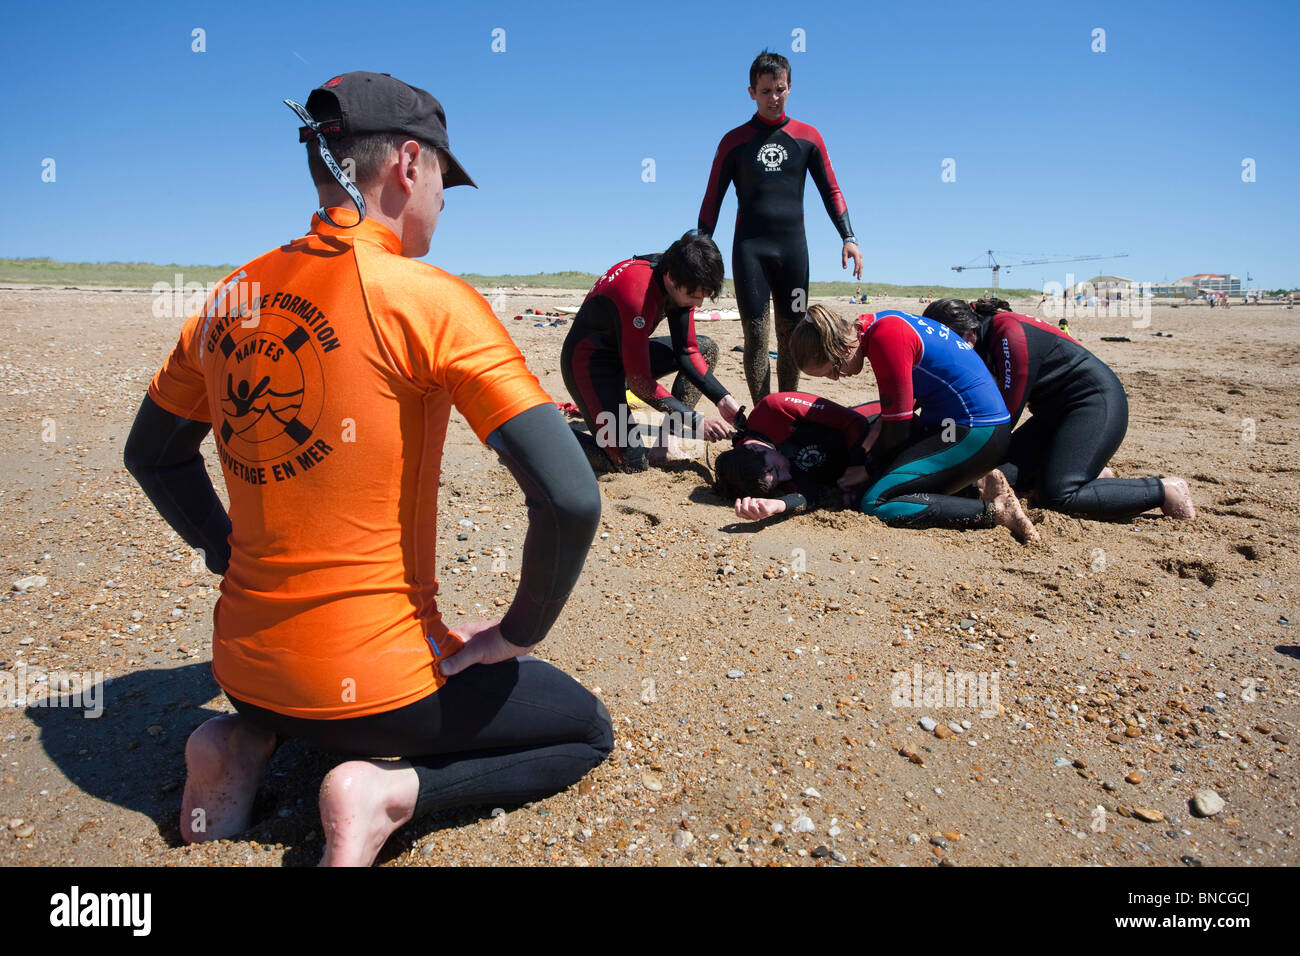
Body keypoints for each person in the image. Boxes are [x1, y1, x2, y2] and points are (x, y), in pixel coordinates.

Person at [124, 72, 611, 867]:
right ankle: (386, 793)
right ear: (408, 165)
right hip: (384, 695)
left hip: (245, 671)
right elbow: (568, 496)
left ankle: (240, 741)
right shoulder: (429, 299)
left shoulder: (230, 297)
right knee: (587, 730)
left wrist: (227, 550)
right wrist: (516, 633)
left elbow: (152, 454)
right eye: (447, 182)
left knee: (281, 703)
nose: (446, 203)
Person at [922, 297, 1196, 521]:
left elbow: (1002, 420)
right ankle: (1090, 472)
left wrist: (955, 458)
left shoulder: (1009, 335)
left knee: (1060, 496)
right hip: (1052, 416)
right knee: (1004, 479)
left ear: (968, 336)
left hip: (1093, 404)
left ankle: (1165, 489)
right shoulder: (981, 338)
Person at [787, 304, 1038, 541]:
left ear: (840, 347)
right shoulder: (879, 323)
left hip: (976, 431)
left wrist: (867, 470)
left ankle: (995, 511)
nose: (836, 378)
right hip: (965, 426)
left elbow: (898, 430)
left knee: (875, 501)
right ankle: (977, 483)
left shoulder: (886, 338)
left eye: (834, 370)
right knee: (882, 470)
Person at [697, 50, 863, 405]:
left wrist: (848, 237)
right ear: (751, 92)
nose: (774, 98)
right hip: (750, 251)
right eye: (766, 90)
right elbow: (713, 198)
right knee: (755, 336)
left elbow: (832, 189)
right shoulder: (734, 141)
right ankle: (762, 412)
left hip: (793, 253)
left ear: (790, 88)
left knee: (793, 336)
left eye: (781, 89)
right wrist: (701, 247)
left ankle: (786, 407)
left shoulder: (808, 138)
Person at [560, 231, 743, 472]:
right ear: (669, 277)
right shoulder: (637, 294)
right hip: (590, 367)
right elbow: (640, 383)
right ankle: (548, 434)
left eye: (703, 297)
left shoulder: (683, 272)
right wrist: (696, 420)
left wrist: (723, 399)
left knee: (706, 349)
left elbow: (687, 351)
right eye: (693, 296)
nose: (698, 304)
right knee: (630, 464)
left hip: (628, 356)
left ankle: (666, 444)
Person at [713, 391, 882, 520]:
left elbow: (855, 422)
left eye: (777, 470)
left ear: (757, 449)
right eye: (778, 481)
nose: (786, 476)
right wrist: (778, 505)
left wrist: (857, 468)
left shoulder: (773, 410)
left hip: (882, 427)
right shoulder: (764, 478)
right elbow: (811, 495)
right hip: (877, 467)